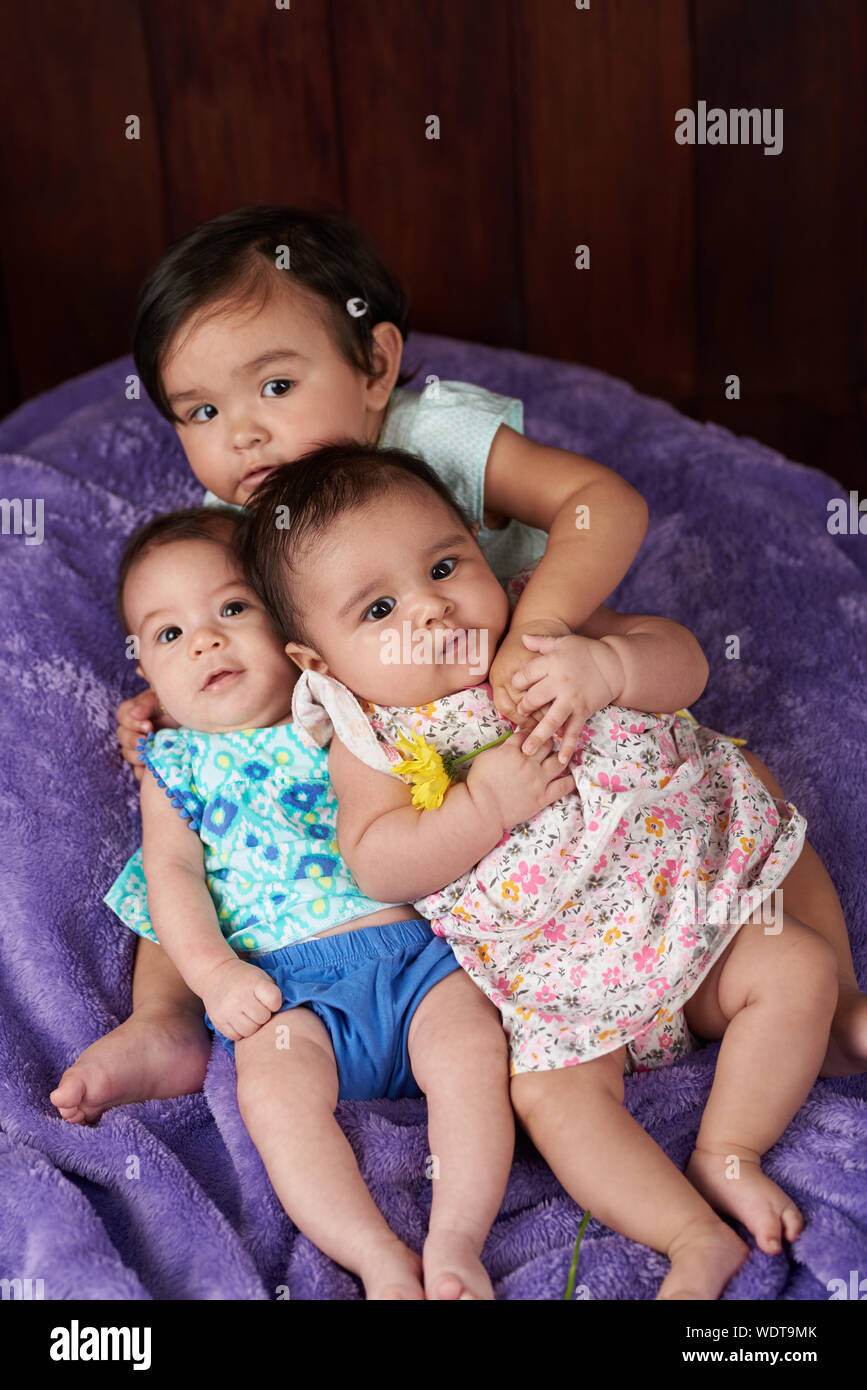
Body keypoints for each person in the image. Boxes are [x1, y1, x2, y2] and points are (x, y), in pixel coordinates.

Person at [51, 202, 649, 1125]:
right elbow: (260, 646)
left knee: (718, 769)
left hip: (519, 677)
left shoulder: (436, 443)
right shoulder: (256, 523)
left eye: (275, 387)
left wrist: (544, 633)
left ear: (374, 366)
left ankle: (829, 990)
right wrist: (181, 691)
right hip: (407, 779)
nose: (242, 434)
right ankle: (167, 1017)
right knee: (196, 835)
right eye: (203, 411)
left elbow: (597, 502)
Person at [243, 441, 856, 1299]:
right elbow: (376, 860)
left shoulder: (542, 623)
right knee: (548, 1100)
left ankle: (729, 1149)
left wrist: (608, 666)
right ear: (320, 663)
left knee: (795, 963)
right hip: (565, 992)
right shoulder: (371, 737)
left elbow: (686, 662)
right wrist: (479, 809)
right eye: (378, 608)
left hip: (690, 904)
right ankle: (689, 1239)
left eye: (445, 565)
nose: (430, 608)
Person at [98, 503, 552, 1299]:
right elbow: (171, 879)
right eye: (169, 635)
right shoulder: (174, 765)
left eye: (232, 609)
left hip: (419, 963)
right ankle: (373, 1255)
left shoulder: (346, 708)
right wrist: (211, 976)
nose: (204, 639)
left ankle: (455, 1242)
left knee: (473, 1054)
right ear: (146, 673)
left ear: (295, 628)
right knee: (271, 1096)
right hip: (285, 991)